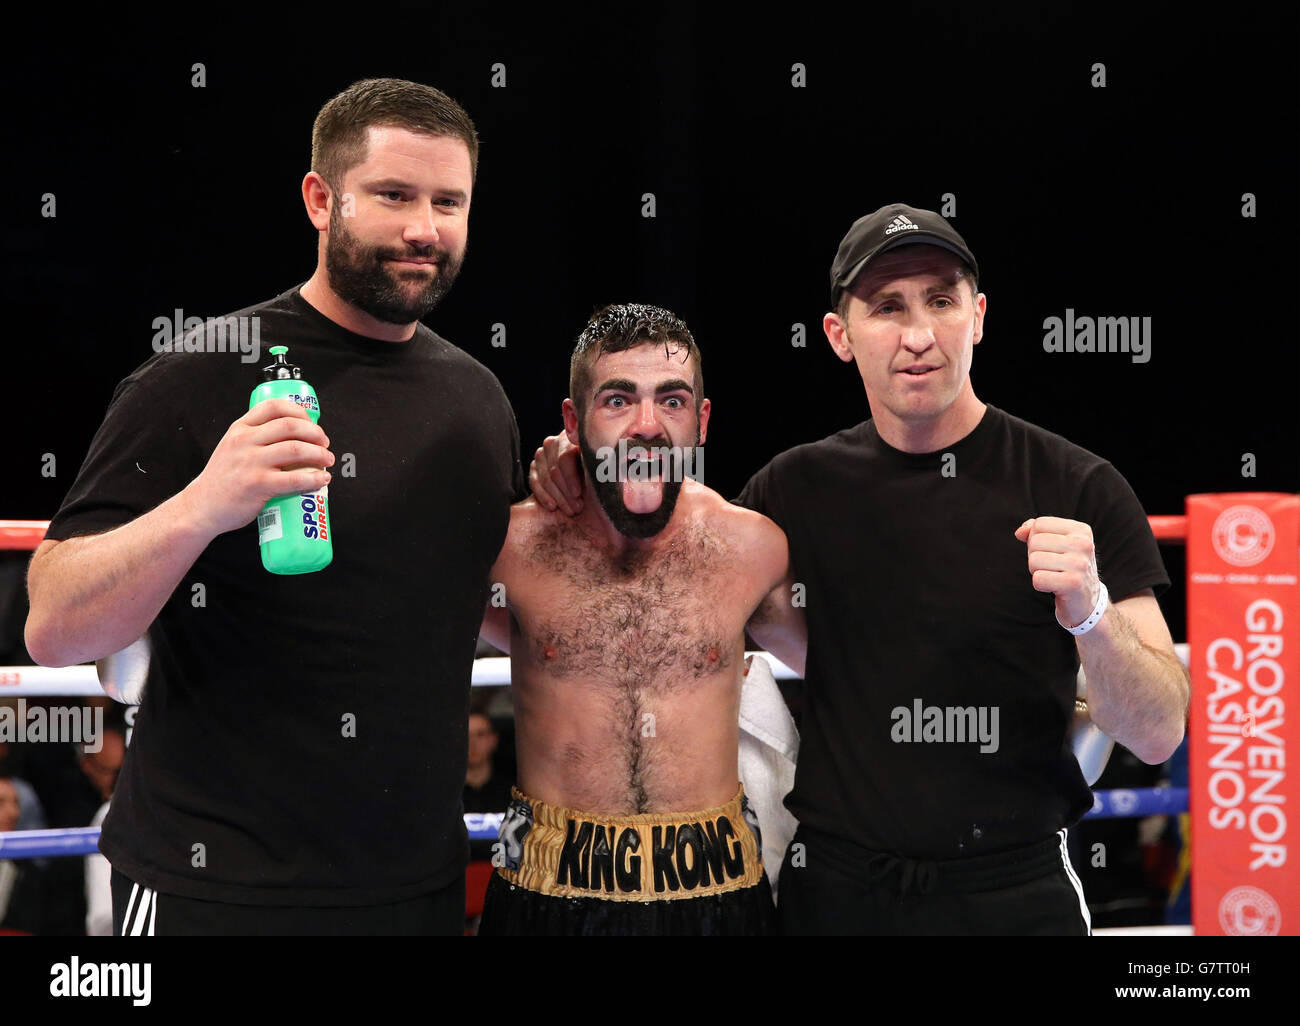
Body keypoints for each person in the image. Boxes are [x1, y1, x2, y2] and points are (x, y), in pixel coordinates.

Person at [528, 205, 1189, 935]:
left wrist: (1090, 613)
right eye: (886, 307)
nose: (917, 334)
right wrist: (581, 473)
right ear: (840, 336)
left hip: (1017, 891)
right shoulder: (792, 490)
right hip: (839, 895)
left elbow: (1157, 732)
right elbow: (651, 561)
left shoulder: (1078, 485)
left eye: (941, 300)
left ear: (979, 317)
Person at [24, 78, 523, 935]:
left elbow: (499, 603)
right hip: (209, 886)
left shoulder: (477, 400)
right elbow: (55, 629)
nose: (424, 229)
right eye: (395, 195)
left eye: (450, 202)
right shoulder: (200, 373)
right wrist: (203, 506)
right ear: (321, 199)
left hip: (411, 887)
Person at [478, 303, 794, 935]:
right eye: (618, 400)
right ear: (574, 421)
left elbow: (854, 675)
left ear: (701, 421)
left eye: (672, 401)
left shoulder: (753, 550)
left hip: (718, 888)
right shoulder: (508, 550)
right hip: (546, 889)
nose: (647, 426)